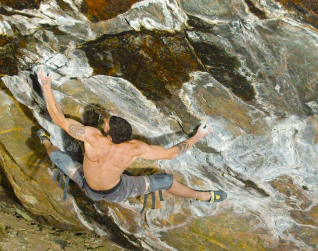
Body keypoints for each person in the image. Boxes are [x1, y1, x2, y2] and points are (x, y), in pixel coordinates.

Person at [35, 68, 226, 205]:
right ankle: (45, 140)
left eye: (105, 125)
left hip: (96, 188)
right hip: (109, 190)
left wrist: (46, 85)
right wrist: (197, 136)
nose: (102, 124)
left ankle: (202, 196)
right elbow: (171, 154)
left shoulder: (93, 137)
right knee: (165, 181)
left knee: (57, 157)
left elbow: (59, 119)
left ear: (109, 136)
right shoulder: (135, 148)